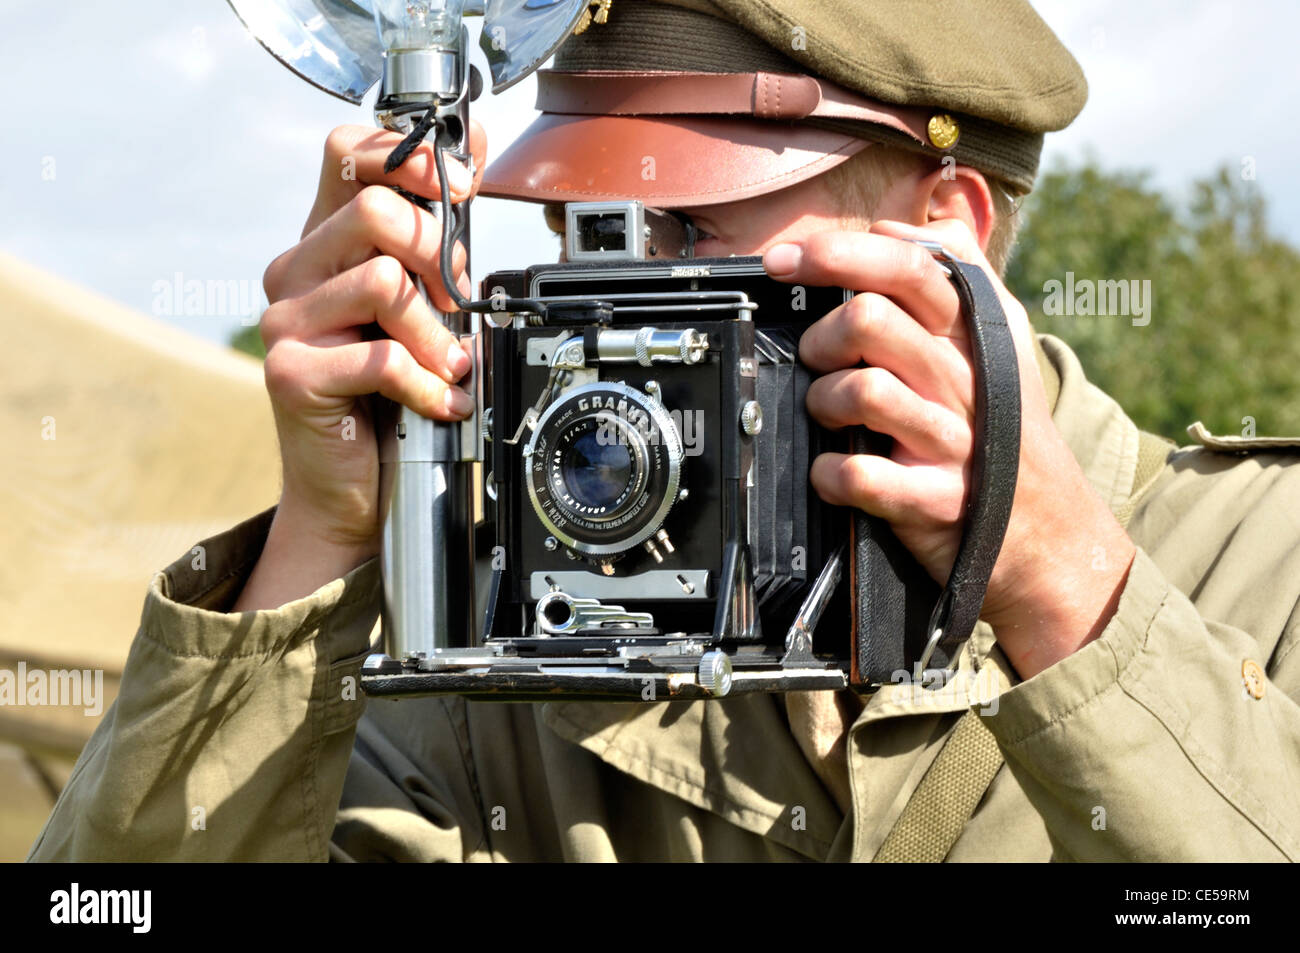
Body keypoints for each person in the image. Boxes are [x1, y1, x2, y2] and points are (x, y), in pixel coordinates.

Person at [29, 0, 1300, 861]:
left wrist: (1059, 586)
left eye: (684, 233)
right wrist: (319, 544)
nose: (609, 304)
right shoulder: (507, 659)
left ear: (944, 231)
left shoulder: (1264, 563)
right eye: (581, 236)